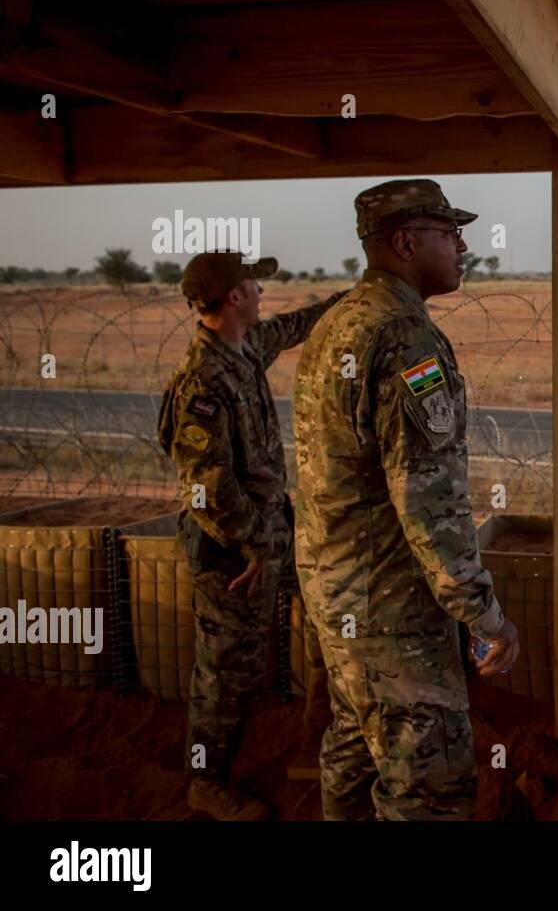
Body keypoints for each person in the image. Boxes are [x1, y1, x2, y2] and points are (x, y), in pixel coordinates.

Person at [293, 179, 520, 821]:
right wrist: (483, 615)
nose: (463, 246)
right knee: (430, 786)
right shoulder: (403, 339)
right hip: (392, 610)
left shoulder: (338, 320)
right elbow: (429, 501)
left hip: (338, 593)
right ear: (404, 243)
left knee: (357, 747)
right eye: (449, 234)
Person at [157, 251, 344, 820]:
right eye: (254, 284)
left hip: (269, 535)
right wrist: (257, 545)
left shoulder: (242, 349)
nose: (263, 291)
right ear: (233, 298)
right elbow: (206, 488)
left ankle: (322, 729)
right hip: (234, 553)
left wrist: (350, 302)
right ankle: (205, 781)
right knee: (225, 675)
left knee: (322, 607)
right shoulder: (203, 382)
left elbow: (291, 326)